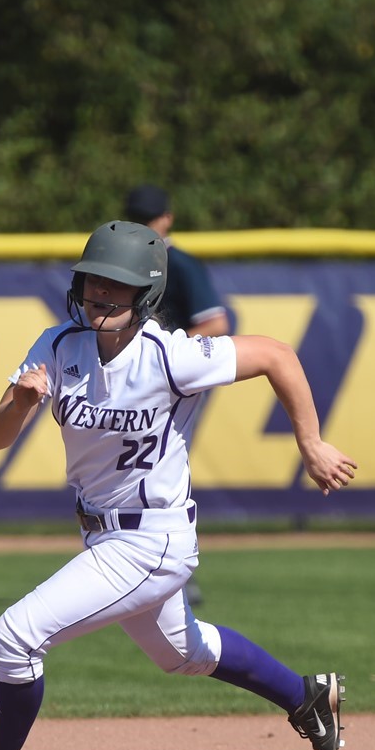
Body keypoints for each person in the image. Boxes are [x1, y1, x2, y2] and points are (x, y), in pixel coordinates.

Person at [0, 220, 358, 750]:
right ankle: (306, 697)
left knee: (16, 636)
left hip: (152, 539)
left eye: (119, 286)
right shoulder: (57, 344)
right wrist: (21, 401)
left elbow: (277, 356)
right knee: (184, 654)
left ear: (145, 295)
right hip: (102, 535)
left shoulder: (171, 355)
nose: (102, 294)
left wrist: (311, 443)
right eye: (93, 281)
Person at [124, 183, 231, 606]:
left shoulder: (173, 264)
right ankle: (149, 568)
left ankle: (176, 574)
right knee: (141, 474)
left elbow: (215, 325)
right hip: (136, 381)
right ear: (166, 217)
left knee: (159, 473)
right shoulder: (169, 261)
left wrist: (164, 353)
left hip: (170, 384)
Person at [123, 184, 231, 337]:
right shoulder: (123, 262)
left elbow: (216, 325)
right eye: (135, 219)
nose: (141, 226)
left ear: (167, 218)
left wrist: (170, 350)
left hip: (168, 357)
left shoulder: (181, 264)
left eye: (148, 219)